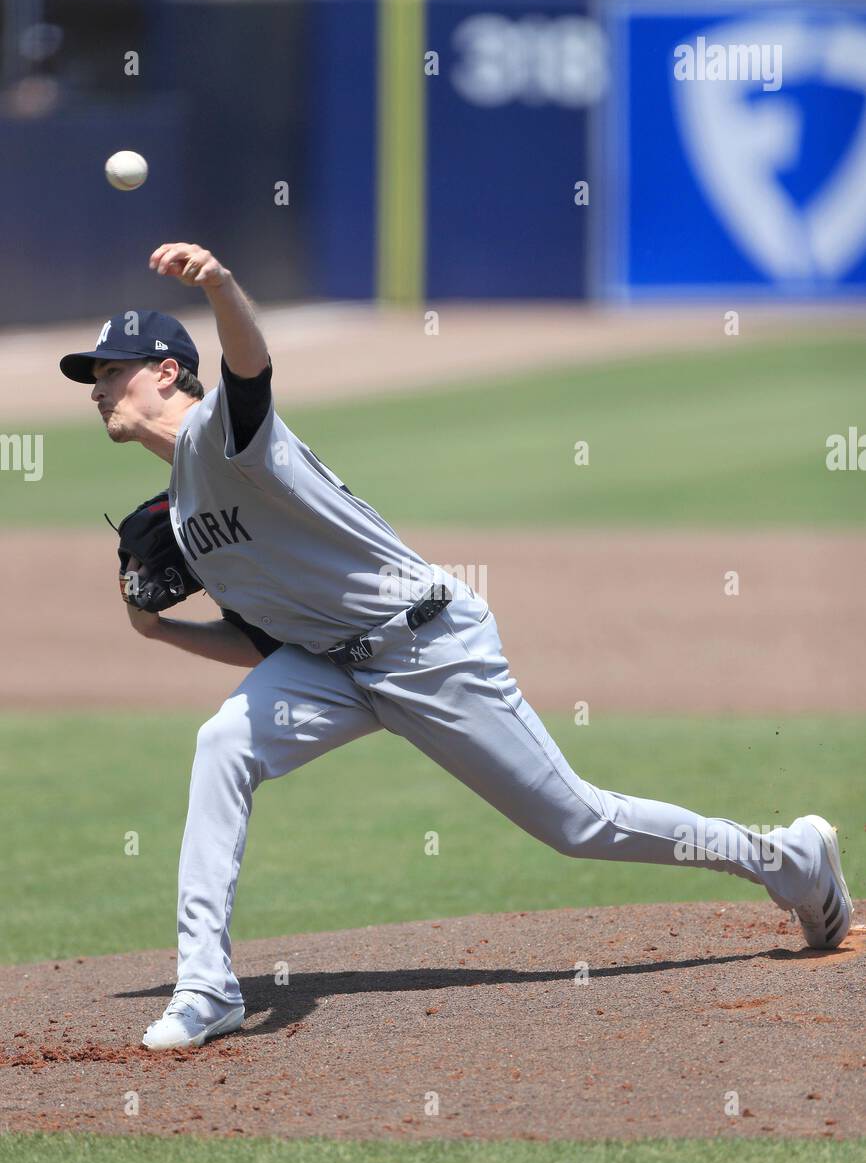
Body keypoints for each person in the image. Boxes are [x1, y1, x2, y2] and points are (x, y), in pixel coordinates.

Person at [59, 243, 853, 1051]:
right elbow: (265, 641)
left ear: (165, 370)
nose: (97, 388)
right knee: (224, 741)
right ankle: (205, 986)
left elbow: (252, 366)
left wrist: (222, 286)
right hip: (330, 666)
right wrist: (161, 631)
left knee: (578, 824)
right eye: (91, 377)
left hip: (429, 647)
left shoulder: (219, 436)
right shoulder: (185, 515)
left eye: (110, 370)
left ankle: (789, 859)